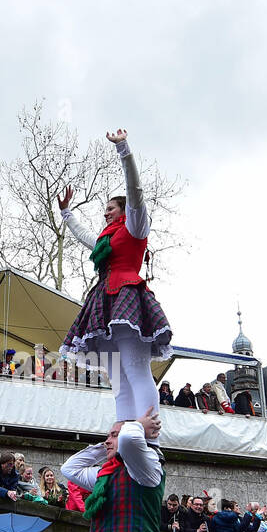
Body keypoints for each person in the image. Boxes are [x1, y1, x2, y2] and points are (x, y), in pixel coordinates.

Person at [58, 130, 173, 431]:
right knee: (118, 375)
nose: (105, 212)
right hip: (103, 304)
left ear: (123, 210)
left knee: (136, 370)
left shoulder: (135, 226)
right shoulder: (105, 239)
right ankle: (122, 429)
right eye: (105, 209)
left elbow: (135, 190)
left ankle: (150, 433)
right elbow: (84, 236)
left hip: (127, 299)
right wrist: (66, 213)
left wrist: (123, 148)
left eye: (110, 207)